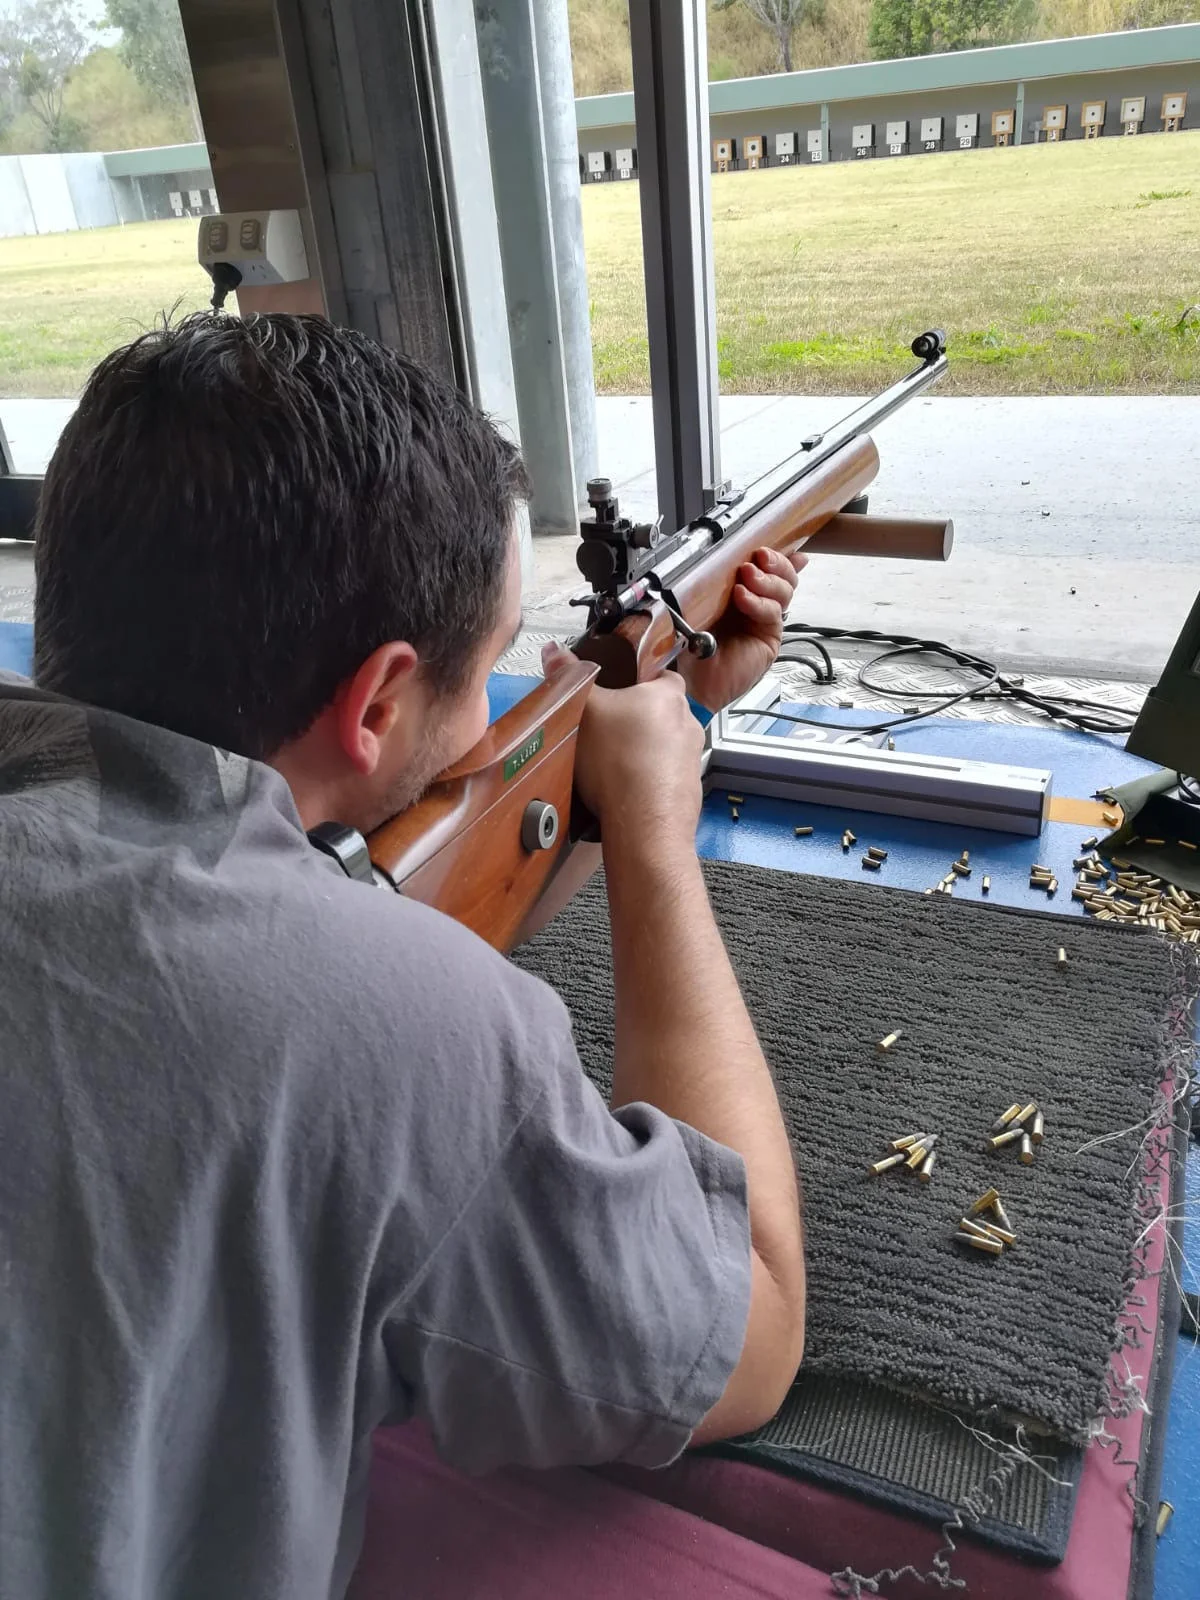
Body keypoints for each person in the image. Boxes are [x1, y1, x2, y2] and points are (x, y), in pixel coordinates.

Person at [3, 313, 806, 1600]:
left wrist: (673, 712)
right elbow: (752, 1327)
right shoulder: (406, 1028)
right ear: (375, 704)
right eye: (490, 670)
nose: (498, 706)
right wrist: (655, 829)